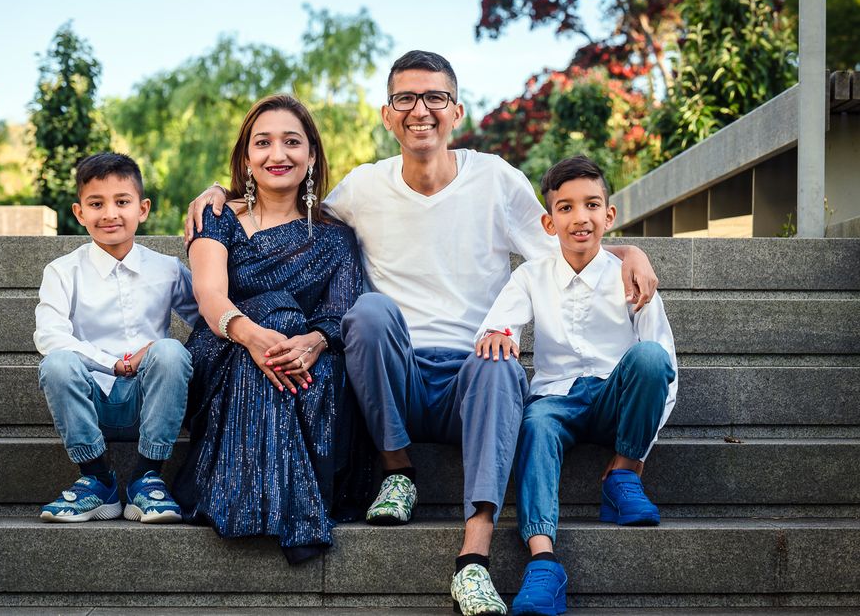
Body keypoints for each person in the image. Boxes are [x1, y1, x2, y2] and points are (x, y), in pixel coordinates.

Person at [186, 52, 659, 613]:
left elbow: (566, 247)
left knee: (502, 361)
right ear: (388, 116)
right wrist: (220, 192)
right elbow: (287, 202)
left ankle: (474, 559)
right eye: (406, 99)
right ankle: (398, 472)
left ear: (456, 110)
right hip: (398, 374)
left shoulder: (496, 179)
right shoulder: (363, 188)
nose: (421, 111)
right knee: (369, 313)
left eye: (435, 97)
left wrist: (629, 250)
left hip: (472, 376)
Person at [475, 155, 677, 616]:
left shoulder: (632, 277)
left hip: (614, 399)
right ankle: (544, 562)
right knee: (536, 423)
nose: (579, 217)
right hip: (557, 400)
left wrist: (639, 453)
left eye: (591, 205)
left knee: (649, 358)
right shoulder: (530, 275)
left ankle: (622, 476)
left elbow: (665, 366)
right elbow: (499, 327)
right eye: (565, 208)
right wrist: (498, 335)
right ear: (549, 222)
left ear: (609, 215)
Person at [172, 94, 367, 565]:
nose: (277, 155)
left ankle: (251, 499)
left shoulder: (335, 237)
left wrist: (313, 342)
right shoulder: (216, 218)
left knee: (305, 345)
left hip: (303, 360)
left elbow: (339, 315)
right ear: (245, 157)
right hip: (223, 350)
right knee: (276, 313)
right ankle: (293, 510)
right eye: (263, 143)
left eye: (291, 143)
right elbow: (210, 297)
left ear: (312, 156)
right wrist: (255, 334)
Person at [34, 152, 198, 524]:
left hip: (150, 399)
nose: (109, 214)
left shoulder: (167, 269)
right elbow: (49, 334)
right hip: (92, 399)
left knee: (171, 352)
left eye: (121, 202)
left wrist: (161, 352)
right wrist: (114, 363)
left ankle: (147, 477)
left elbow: (208, 320)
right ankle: (96, 479)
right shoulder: (62, 271)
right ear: (79, 213)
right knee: (56, 363)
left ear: (142, 209)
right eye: (96, 204)